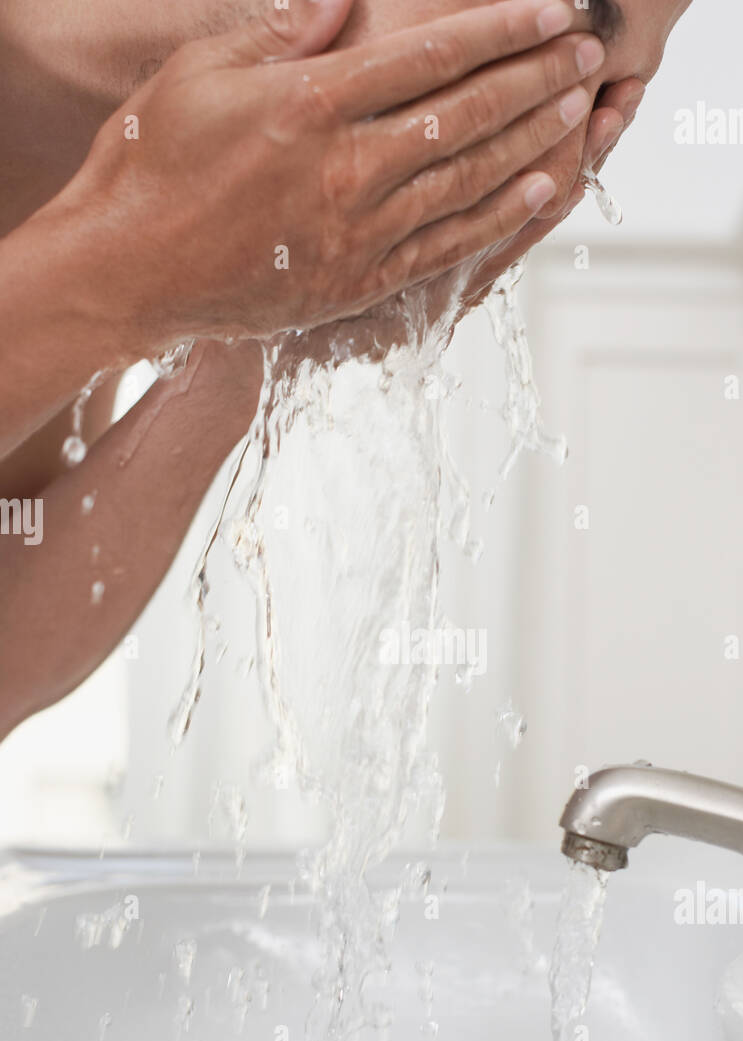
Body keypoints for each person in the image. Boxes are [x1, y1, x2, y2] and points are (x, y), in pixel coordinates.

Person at [0, 0, 689, 741]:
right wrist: (122, 261)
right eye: (560, 45)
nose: (549, 157)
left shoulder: (92, 153)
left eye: (602, 106)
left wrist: (242, 345)